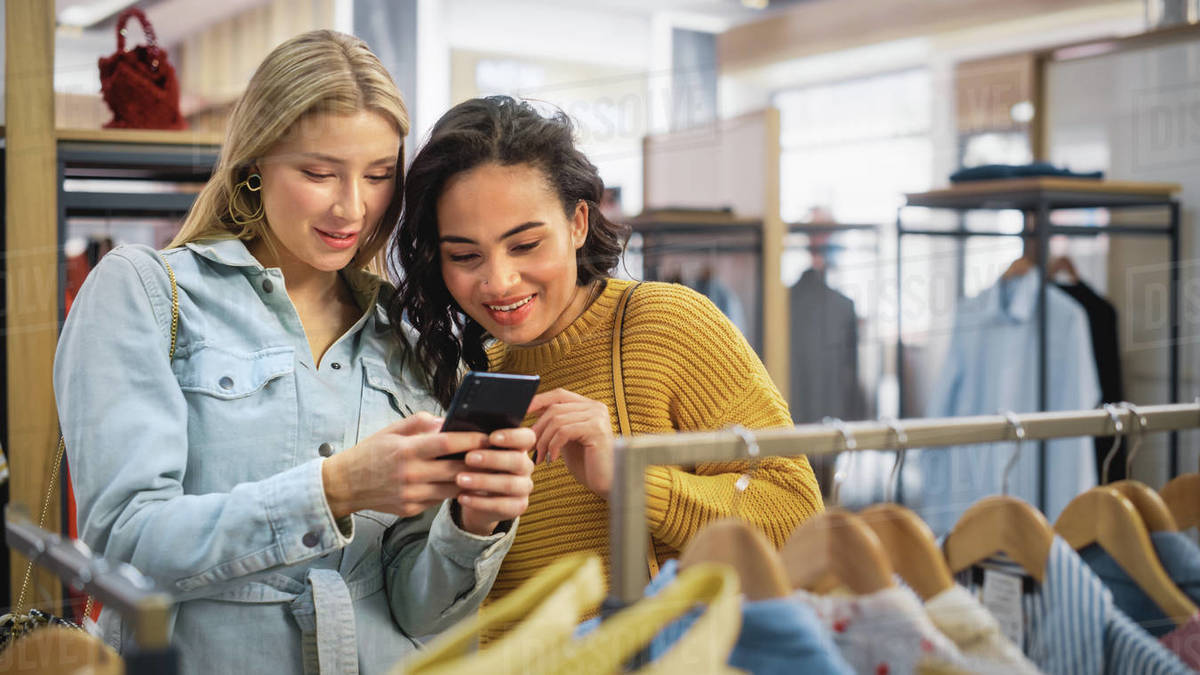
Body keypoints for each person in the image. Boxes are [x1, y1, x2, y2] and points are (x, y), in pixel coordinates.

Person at [54, 32, 535, 674]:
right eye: (318, 173)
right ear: (254, 163)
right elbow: (123, 545)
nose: (352, 207)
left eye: (378, 175)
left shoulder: (407, 330)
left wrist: (473, 524)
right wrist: (332, 490)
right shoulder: (145, 292)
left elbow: (421, 613)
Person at [391, 95, 823, 606]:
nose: (499, 282)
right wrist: (470, 525)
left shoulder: (666, 325)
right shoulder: (462, 377)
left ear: (577, 223)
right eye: (465, 255)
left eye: (525, 245)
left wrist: (632, 479)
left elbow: (800, 525)